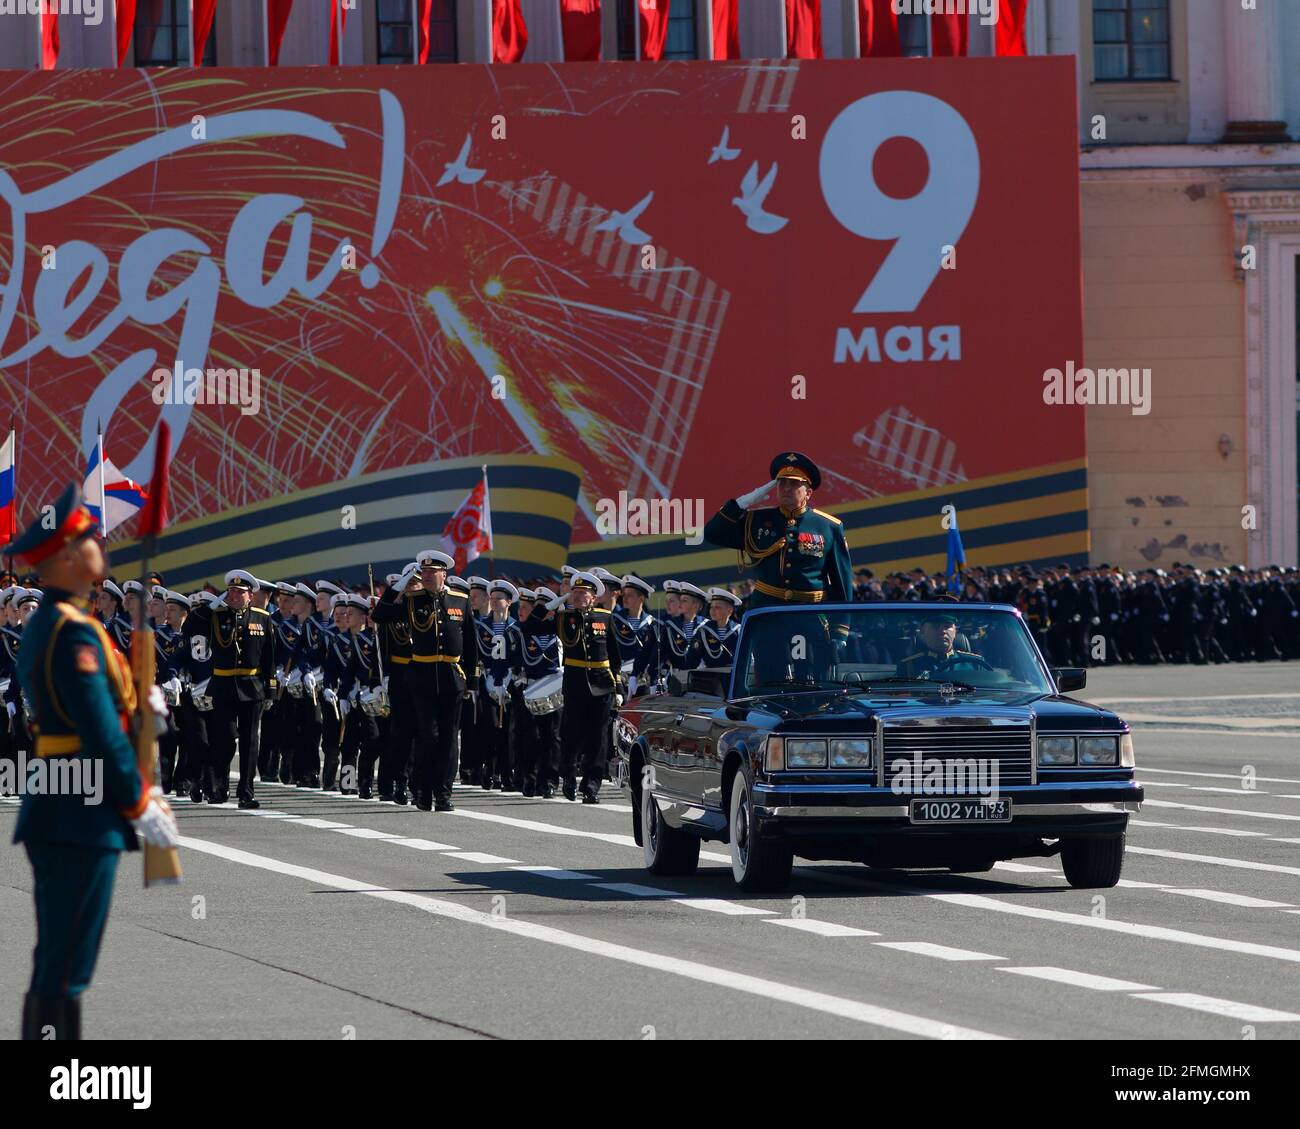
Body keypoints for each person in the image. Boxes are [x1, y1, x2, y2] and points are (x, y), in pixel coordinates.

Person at [6, 483, 178, 1040]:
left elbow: (105, 714)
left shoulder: (66, 624)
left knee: (64, 954)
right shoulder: (70, 630)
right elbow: (95, 727)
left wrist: (141, 710)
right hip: (79, 805)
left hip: (71, 800)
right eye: (86, 539)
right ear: (63, 558)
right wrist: (136, 797)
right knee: (66, 960)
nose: (98, 545)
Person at [371, 550, 477, 811]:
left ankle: (443, 793)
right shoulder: (411, 600)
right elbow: (380, 616)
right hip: (422, 676)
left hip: (452, 677)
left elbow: (472, 644)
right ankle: (422, 789)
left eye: (432, 572)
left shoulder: (460, 600)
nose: (427, 576)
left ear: (444, 574)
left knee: (450, 738)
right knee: (427, 736)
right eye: (424, 572)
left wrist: (472, 681)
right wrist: (397, 586)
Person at [184, 570, 276, 808]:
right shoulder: (216, 615)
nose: (235, 596)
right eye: (231, 591)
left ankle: (246, 791)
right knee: (223, 739)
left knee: (249, 741)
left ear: (250, 595)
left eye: (240, 592)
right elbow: (190, 627)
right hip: (223, 686)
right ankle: (219, 786)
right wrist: (211, 605)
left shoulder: (262, 617)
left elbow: (269, 658)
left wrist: (271, 690)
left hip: (252, 686)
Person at [544, 572, 622, 803]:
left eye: (583, 594)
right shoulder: (563, 617)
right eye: (574, 593)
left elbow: (615, 656)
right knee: (571, 735)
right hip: (576, 684)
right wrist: (552, 604)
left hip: (601, 684)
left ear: (593, 598)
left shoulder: (605, 618)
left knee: (598, 739)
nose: (578, 597)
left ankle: (591, 786)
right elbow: (531, 626)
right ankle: (568, 776)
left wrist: (618, 688)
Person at [895, 606, 986, 679]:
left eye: (947, 626)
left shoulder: (976, 664)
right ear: (922, 630)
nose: (942, 631)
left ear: (955, 631)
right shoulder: (908, 667)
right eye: (935, 626)